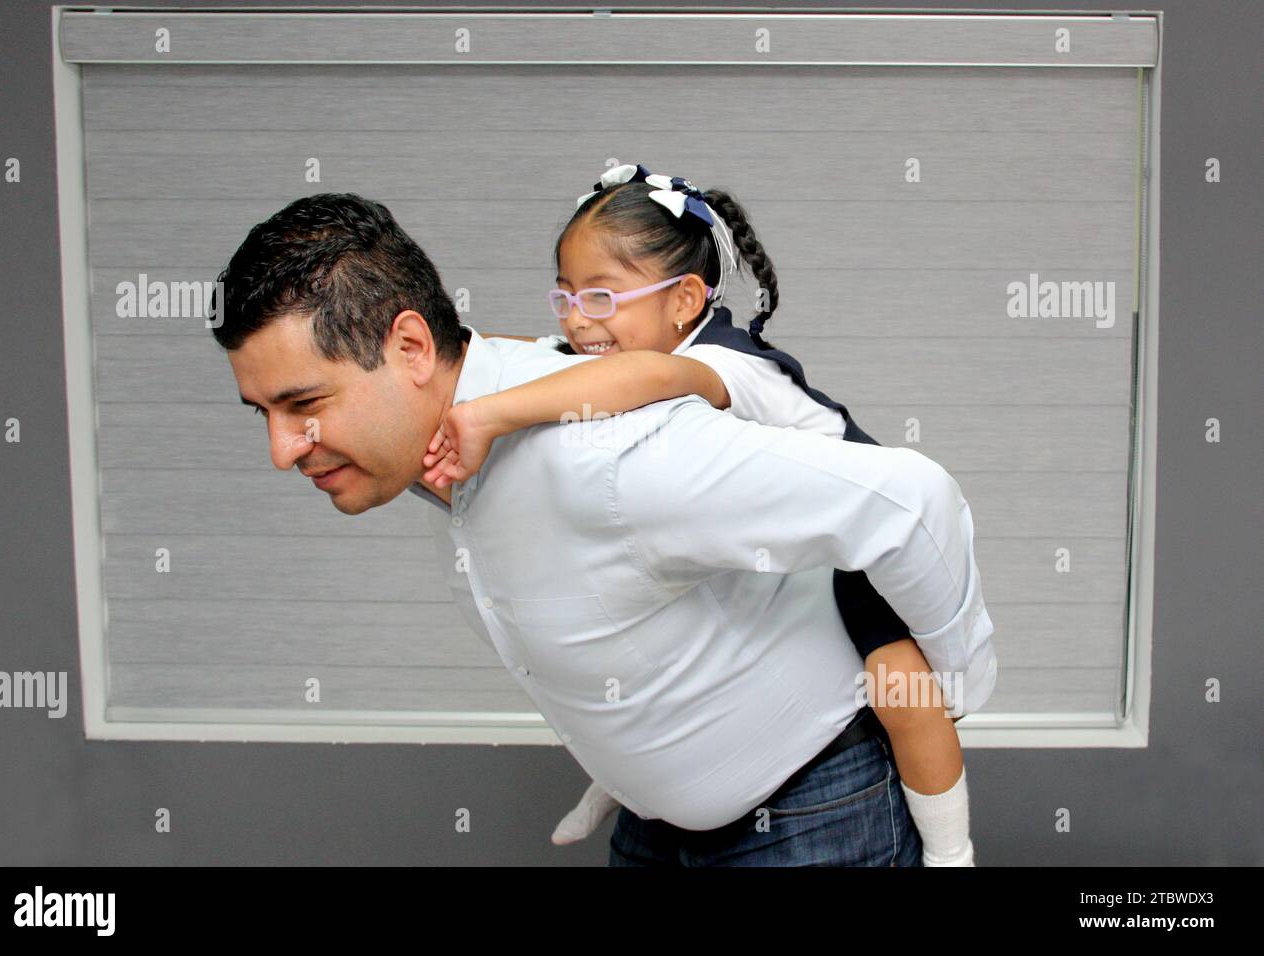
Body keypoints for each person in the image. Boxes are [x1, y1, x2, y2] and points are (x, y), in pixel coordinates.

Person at [212, 191, 997, 866]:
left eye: (304, 406)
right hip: (658, 824)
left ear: (413, 348)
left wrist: (957, 680)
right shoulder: (455, 437)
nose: (282, 451)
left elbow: (914, 501)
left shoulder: (614, 454)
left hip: (810, 817)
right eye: (264, 415)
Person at [421, 164, 981, 865]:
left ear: (684, 299)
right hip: (766, 548)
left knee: (902, 688)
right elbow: (543, 363)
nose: (574, 319)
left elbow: (640, 380)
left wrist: (486, 412)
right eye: (563, 295)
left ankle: (951, 849)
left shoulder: (723, 363)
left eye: (600, 297)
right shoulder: (628, 345)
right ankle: (627, 778)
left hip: (852, 546)